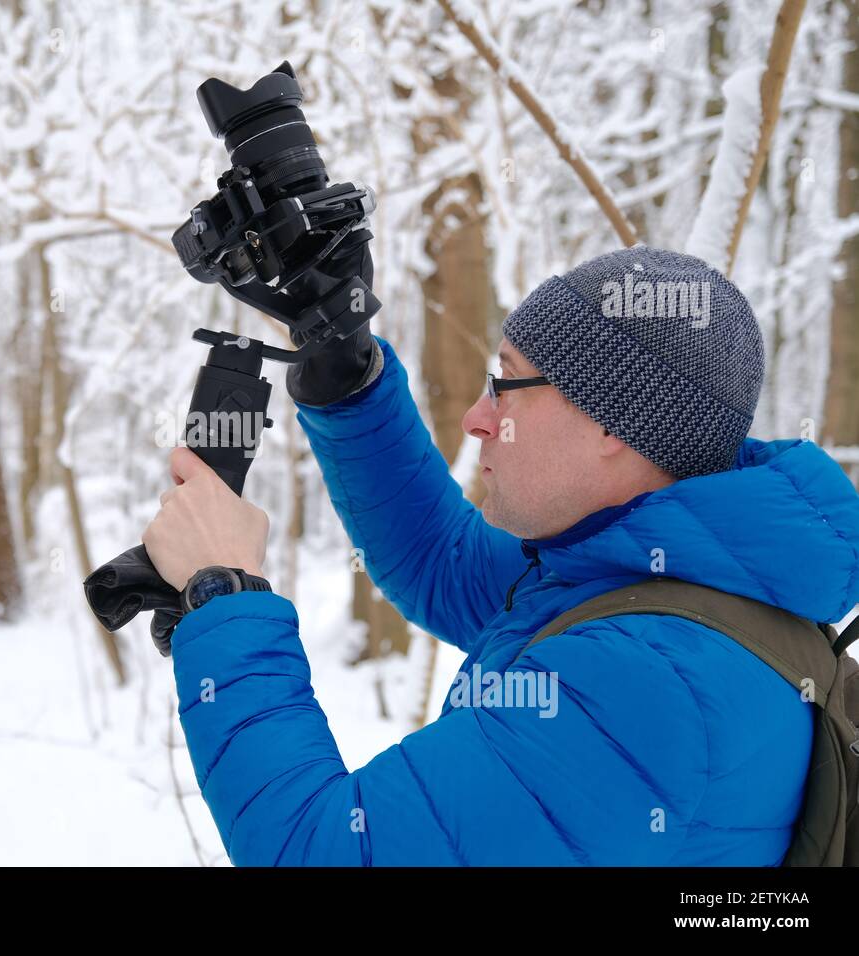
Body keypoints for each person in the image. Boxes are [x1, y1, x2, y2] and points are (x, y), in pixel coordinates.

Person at [140, 244, 859, 865]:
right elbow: (441, 561)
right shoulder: (660, 574)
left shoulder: (643, 678)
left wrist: (225, 596)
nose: (477, 418)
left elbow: (321, 850)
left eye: (507, 384)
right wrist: (341, 361)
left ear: (611, 422)